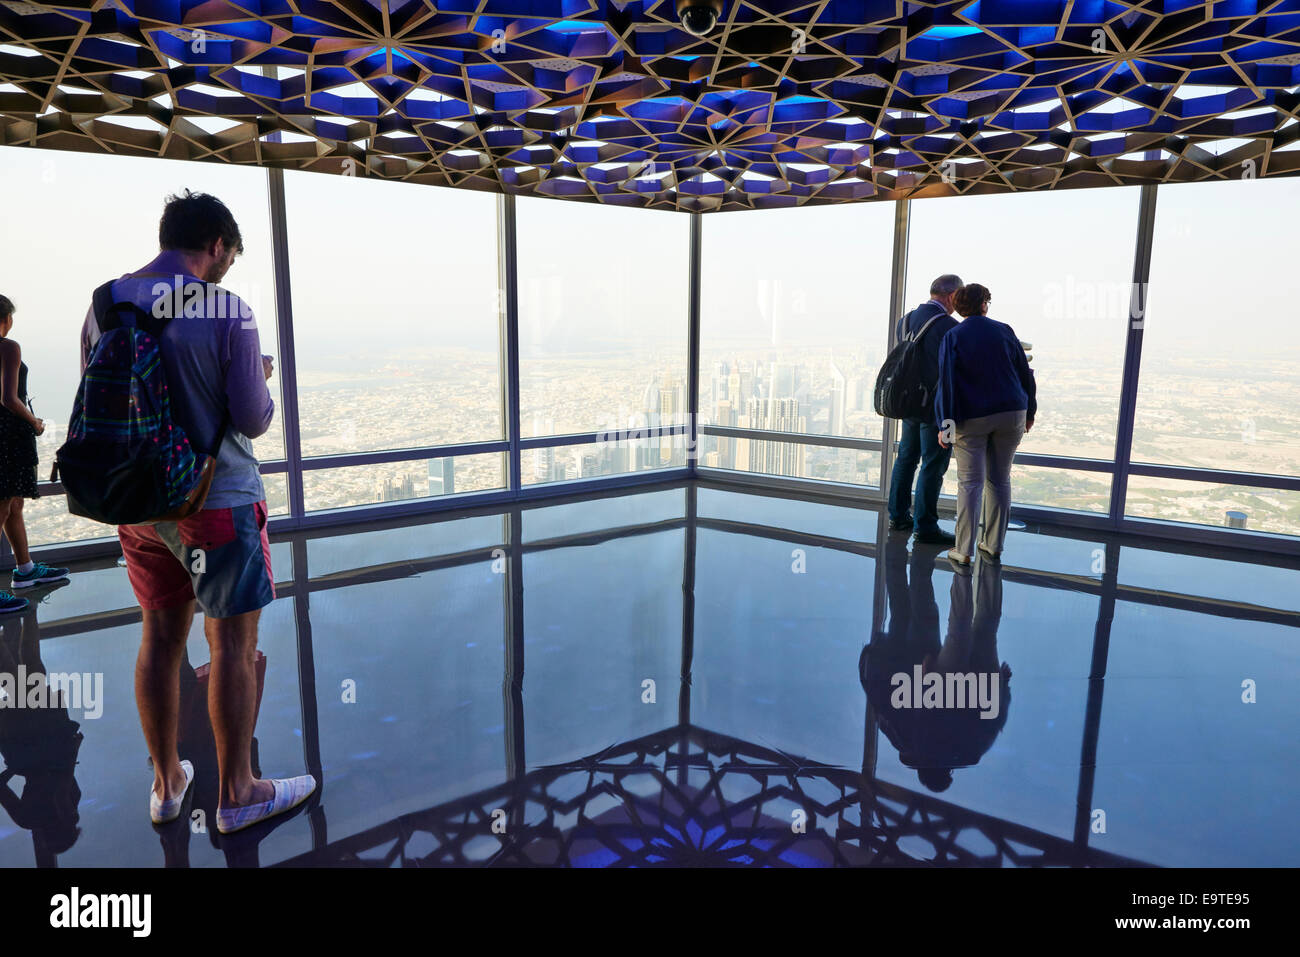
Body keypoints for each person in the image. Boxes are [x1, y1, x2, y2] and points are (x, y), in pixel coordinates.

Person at [79, 190, 315, 833]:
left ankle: (166, 783)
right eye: (228, 255)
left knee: (159, 640)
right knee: (233, 647)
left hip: (140, 505)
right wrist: (260, 377)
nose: (227, 266)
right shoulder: (228, 311)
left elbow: (103, 407)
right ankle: (238, 792)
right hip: (217, 503)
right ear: (216, 244)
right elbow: (252, 418)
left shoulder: (104, 304)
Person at [934, 283, 1037, 566]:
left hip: (972, 417)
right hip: (1012, 412)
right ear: (983, 304)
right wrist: (1030, 413)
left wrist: (946, 426)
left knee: (970, 483)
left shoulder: (953, 336)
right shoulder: (1005, 330)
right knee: (1000, 480)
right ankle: (994, 545)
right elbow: (1025, 373)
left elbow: (947, 384)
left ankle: (963, 551)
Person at [0, 295, 71, 614]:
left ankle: (25, 571)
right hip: (8, 436)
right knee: (3, 507)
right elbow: (9, 399)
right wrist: (35, 422)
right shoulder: (8, 346)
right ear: (6, 319)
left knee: (13, 504)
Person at [887, 274, 962, 546]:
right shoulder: (949, 327)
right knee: (934, 463)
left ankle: (898, 516)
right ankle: (926, 526)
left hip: (909, 403)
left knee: (906, 458)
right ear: (952, 296)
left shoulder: (904, 320)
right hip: (937, 409)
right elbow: (953, 372)